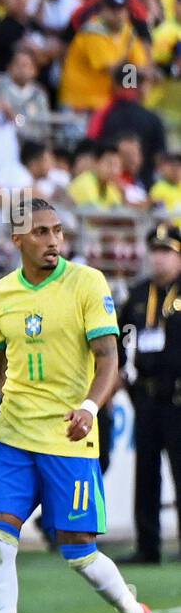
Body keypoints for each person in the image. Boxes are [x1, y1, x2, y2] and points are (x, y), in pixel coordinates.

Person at [0, 198, 158, 613]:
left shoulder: (87, 283)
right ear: (18, 240)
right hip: (12, 437)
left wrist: (90, 408)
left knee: (79, 552)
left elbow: (109, 358)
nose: (53, 241)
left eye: (58, 232)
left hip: (70, 437)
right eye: (41, 232)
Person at [118, 224, 181, 565]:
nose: (159, 259)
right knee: (146, 473)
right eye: (155, 252)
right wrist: (122, 376)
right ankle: (147, 545)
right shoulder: (139, 294)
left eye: (167, 252)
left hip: (178, 397)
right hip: (147, 396)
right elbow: (117, 338)